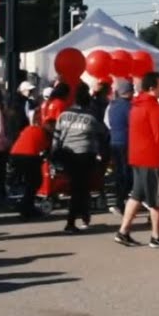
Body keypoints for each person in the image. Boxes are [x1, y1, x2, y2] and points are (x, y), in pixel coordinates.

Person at [115, 73, 159, 248]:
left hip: (138, 157)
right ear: (152, 88)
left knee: (136, 195)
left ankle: (123, 231)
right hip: (153, 159)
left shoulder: (136, 106)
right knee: (157, 199)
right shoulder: (154, 109)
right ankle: (156, 236)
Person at [53, 87, 105, 232]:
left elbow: (56, 136)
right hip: (84, 154)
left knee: (77, 187)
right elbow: (102, 132)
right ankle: (74, 220)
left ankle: (82, 216)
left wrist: (54, 153)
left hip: (67, 154)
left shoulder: (63, 115)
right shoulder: (91, 117)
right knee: (81, 188)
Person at [9, 116, 52, 219]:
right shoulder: (46, 134)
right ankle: (26, 208)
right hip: (29, 156)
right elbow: (47, 151)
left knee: (30, 182)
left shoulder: (30, 128)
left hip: (15, 154)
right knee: (35, 182)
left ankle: (27, 205)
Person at [104, 80, 134, 215]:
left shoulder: (111, 106)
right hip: (127, 142)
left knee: (118, 173)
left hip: (114, 141)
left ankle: (119, 201)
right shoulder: (130, 107)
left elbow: (107, 123)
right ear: (129, 92)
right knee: (127, 173)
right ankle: (123, 201)